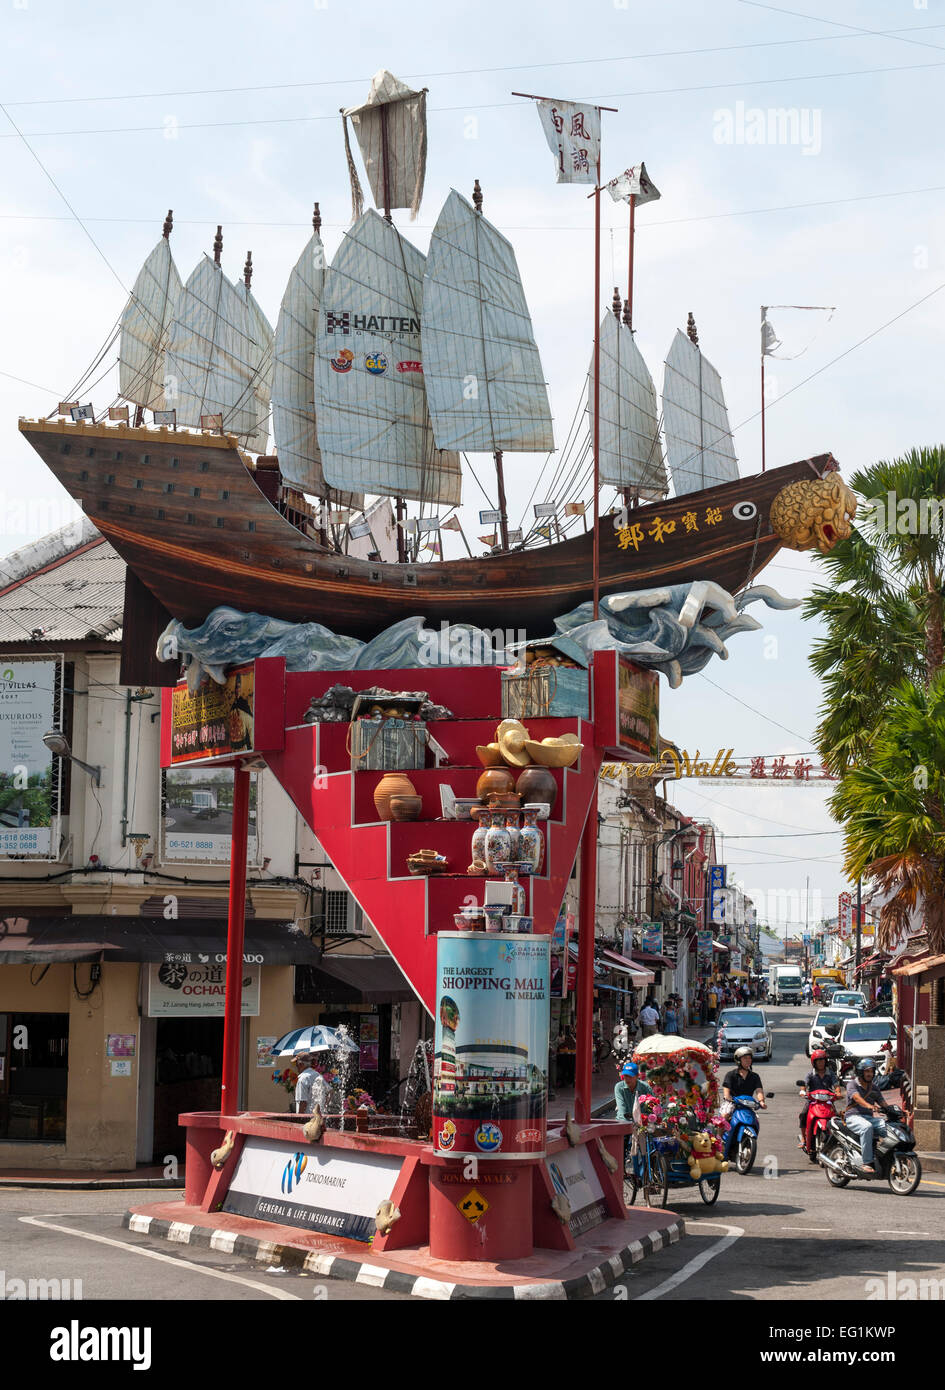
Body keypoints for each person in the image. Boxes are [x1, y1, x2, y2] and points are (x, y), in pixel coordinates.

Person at [844, 1057, 895, 1174]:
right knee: (867, 1127)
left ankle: (889, 1159)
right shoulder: (852, 1084)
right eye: (867, 1071)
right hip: (853, 1117)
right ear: (861, 1072)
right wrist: (869, 1106)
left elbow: (884, 1104)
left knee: (889, 1128)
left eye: (871, 1071)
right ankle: (867, 1162)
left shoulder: (874, 1088)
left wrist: (896, 1111)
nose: (869, 1074)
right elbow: (857, 1098)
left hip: (869, 1118)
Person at [797, 1048, 842, 1148]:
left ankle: (836, 1139)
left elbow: (836, 1085)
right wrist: (803, 1091)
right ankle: (804, 1139)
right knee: (803, 1115)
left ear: (825, 1061)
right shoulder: (810, 1074)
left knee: (836, 1118)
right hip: (813, 1101)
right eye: (818, 1061)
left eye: (822, 1060)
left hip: (827, 1101)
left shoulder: (830, 1073)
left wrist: (838, 1093)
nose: (821, 1063)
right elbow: (804, 1084)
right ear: (814, 1062)